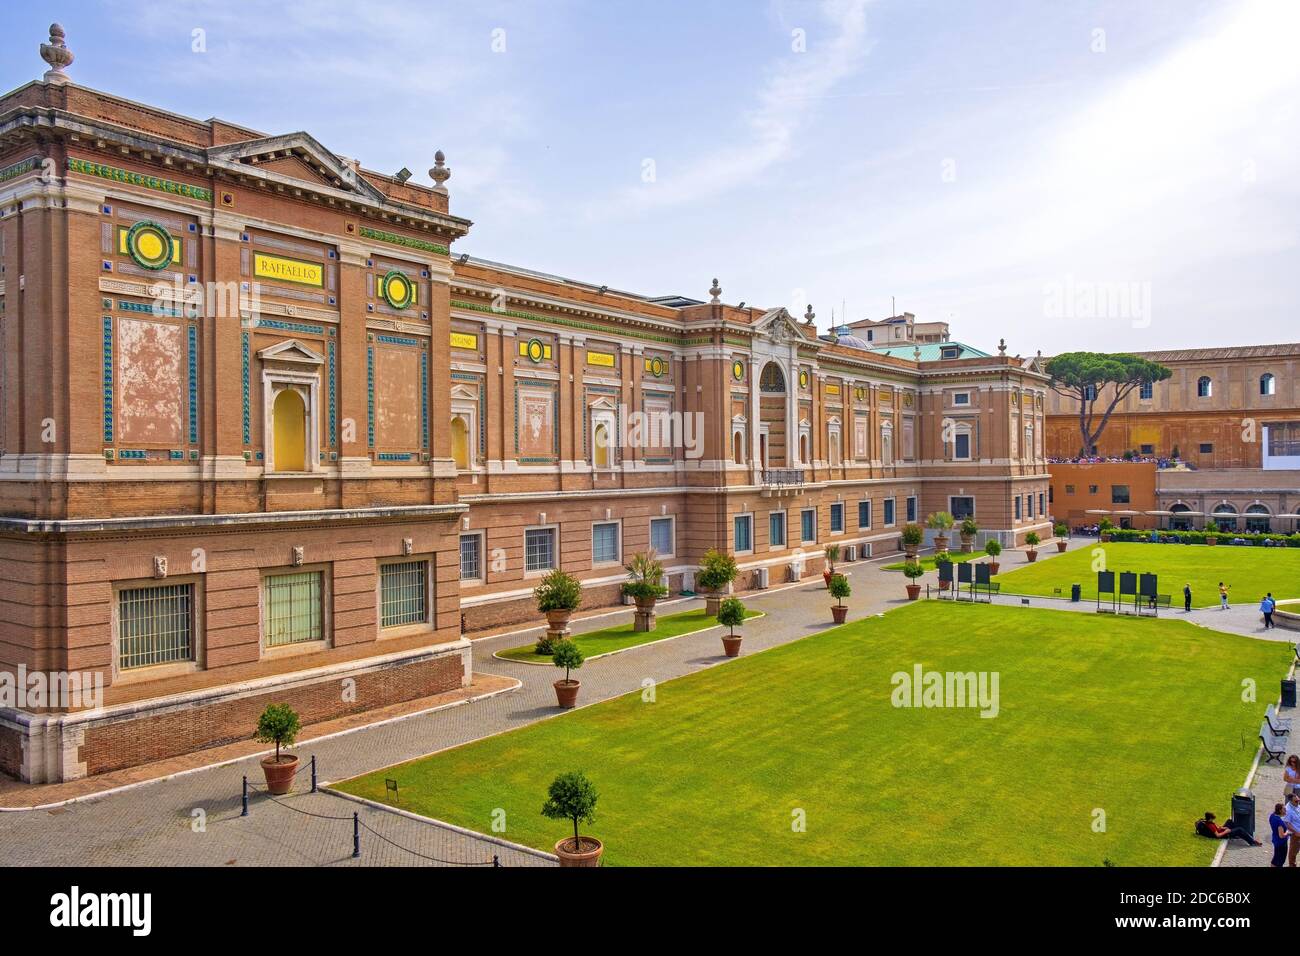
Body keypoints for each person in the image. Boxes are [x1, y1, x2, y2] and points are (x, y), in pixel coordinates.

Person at [1196, 811, 1262, 846]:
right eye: (1212, 818)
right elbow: (1218, 835)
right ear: (1210, 818)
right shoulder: (1211, 826)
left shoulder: (1207, 822)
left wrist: (1223, 827)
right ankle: (1252, 842)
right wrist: (1226, 831)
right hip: (1224, 834)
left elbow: (1217, 828)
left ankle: (1236, 834)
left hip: (1222, 830)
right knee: (1240, 829)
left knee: (1229, 821)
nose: (1213, 820)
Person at [1269, 803, 1291, 868]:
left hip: (1275, 840)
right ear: (1280, 810)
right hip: (1281, 843)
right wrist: (1288, 832)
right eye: (1284, 809)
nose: (1286, 811)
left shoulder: (1272, 816)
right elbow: (1281, 835)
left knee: (1275, 859)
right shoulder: (1279, 822)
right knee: (1280, 861)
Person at [1286, 792, 1300, 867]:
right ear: (1291, 801)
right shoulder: (1288, 810)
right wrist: (1296, 832)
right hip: (1296, 834)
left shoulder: (1296, 805)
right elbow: (1286, 824)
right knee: (1293, 853)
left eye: (1299, 800)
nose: (1298, 802)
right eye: (1296, 801)